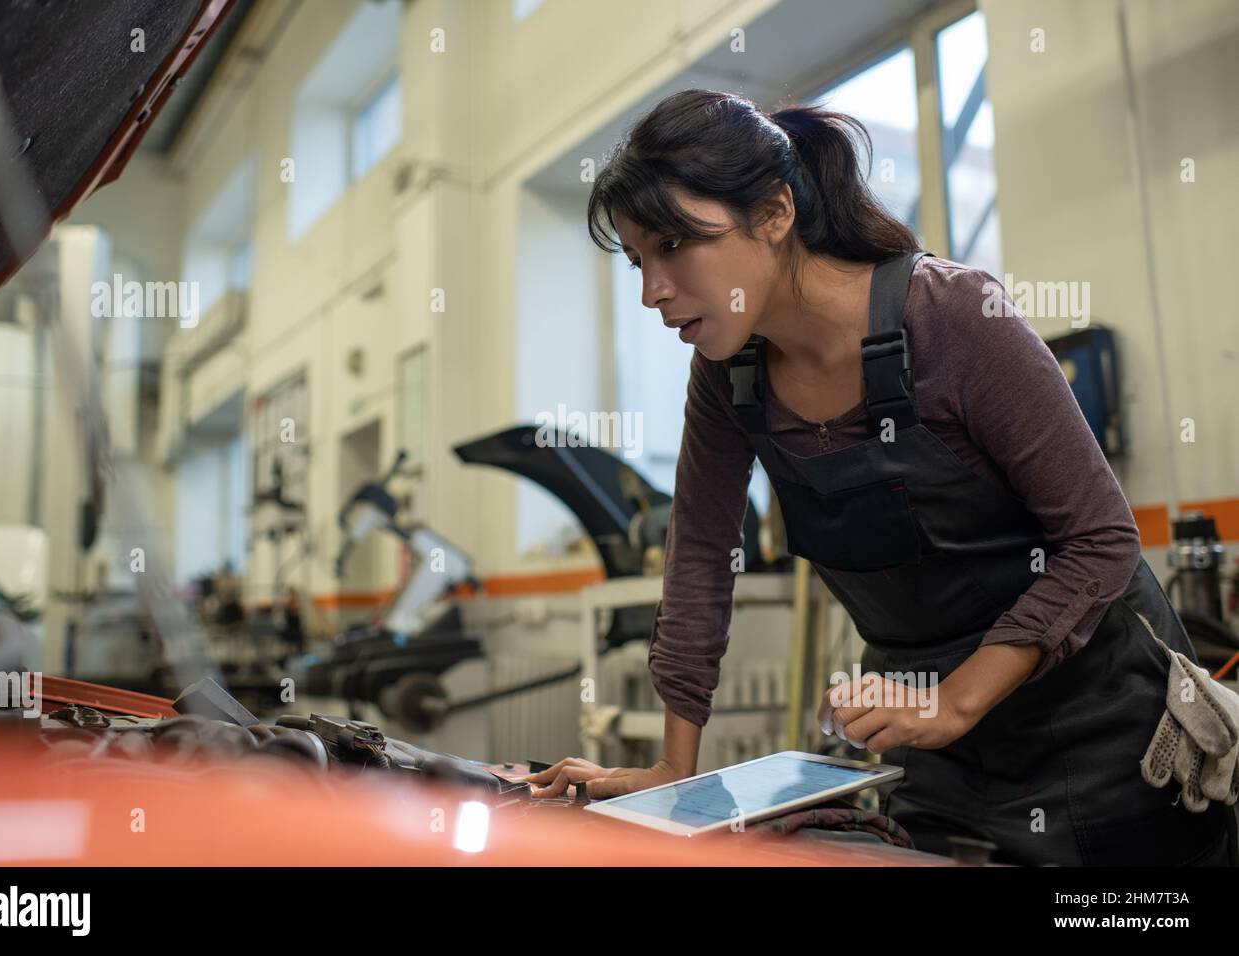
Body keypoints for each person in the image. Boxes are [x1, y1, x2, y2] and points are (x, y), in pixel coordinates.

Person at [522, 89, 1234, 866]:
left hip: (1101, 735)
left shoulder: (956, 318)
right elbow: (699, 565)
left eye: (672, 245)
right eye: (636, 260)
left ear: (774, 212)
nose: (651, 289)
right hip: (928, 745)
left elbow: (1099, 541)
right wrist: (671, 776)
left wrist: (956, 699)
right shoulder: (726, 377)